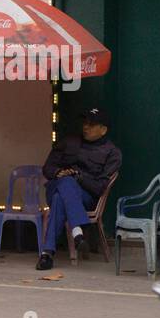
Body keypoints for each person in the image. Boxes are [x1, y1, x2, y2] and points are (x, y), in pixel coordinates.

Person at [36, 107, 121, 270]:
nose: (86, 127)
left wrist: (78, 177)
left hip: (85, 196)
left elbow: (98, 188)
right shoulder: (69, 142)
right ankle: (77, 230)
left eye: (92, 124)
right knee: (65, 183)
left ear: (103, 130)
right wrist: (59, 172)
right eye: (85, 122)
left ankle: (47, 253)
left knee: (60, 199)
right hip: (56, 186)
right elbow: (47, 168)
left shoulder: (112, 153)